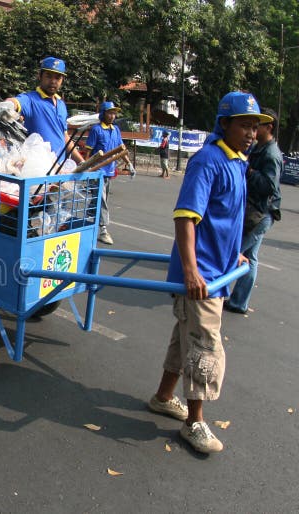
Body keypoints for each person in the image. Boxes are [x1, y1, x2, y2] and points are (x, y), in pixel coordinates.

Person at [147, 91, 271, 454]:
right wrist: (191, 271)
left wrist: (235, 258)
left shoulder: (237, 162)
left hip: (218, 271)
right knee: (204, 347)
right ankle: (194, 422)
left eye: (256, 126)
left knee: (183, 337)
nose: (252, 132)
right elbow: (186, 217)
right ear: (225, 124)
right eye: (245, 125)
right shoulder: (209, 161)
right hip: (201, 276)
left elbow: (226, 221)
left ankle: (163, 396)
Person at [225, 107, 282, 315]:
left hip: (260, 214)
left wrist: (248, 170)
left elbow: (269, 186)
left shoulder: (271, 154)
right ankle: (239, 302)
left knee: (234, 252)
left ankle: (219, 292)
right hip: (256, 211)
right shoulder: (260, 148)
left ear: (270, 127)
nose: (253, 132)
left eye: (257, 127)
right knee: (250, 256)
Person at [6, 57, 86, 166]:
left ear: (62, 80)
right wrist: (8, 104)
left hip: (59, 169)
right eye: (48, 76)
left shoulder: (61, 105)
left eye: (58, 78)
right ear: (40, 76)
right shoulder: (31, 99)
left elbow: (64, 137)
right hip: (38, 170)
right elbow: (16, 101)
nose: (53, 81)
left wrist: (81, 161)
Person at [84, 101, 135, 245]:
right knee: (102, 200)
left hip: (109, 170)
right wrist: (86, 168)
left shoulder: (116, 130)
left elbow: (121, 148)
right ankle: (103, 230)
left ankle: (89, 219)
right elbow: (89, 150)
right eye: (110, 113)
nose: (112, 116)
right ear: (103, 114)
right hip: (97, 171)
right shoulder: (97, 130)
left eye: (114, 113)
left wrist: (129, 163)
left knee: (100, 199)